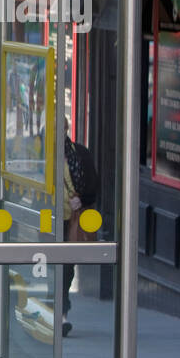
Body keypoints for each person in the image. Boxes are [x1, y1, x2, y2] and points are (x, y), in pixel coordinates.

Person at [60, 119, 100, 335]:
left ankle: (62, 314)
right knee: (50, 266)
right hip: (48, 217)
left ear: (66, 129)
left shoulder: (80, 154)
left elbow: (93, 184)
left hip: (72, 219)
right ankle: (53, 311)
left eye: (60, 128)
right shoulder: (40, 155)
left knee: (66, 268)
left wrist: (82, 200)